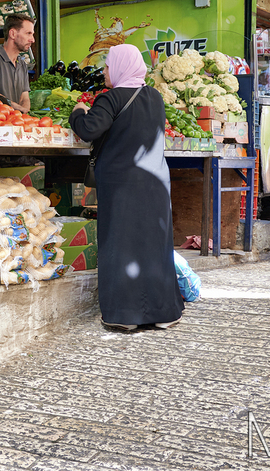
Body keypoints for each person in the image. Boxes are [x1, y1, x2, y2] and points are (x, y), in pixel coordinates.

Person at [68, 44, 183, 331]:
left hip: (122, 186)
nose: (105, 71)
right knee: (154, 244)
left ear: (120, 67)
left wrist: (78, 112)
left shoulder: (111, 98)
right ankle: (164, 312)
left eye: (108, 66)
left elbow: (88, 129)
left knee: (121, 244)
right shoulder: (155, 97)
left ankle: (124, 315)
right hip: (155, 182)